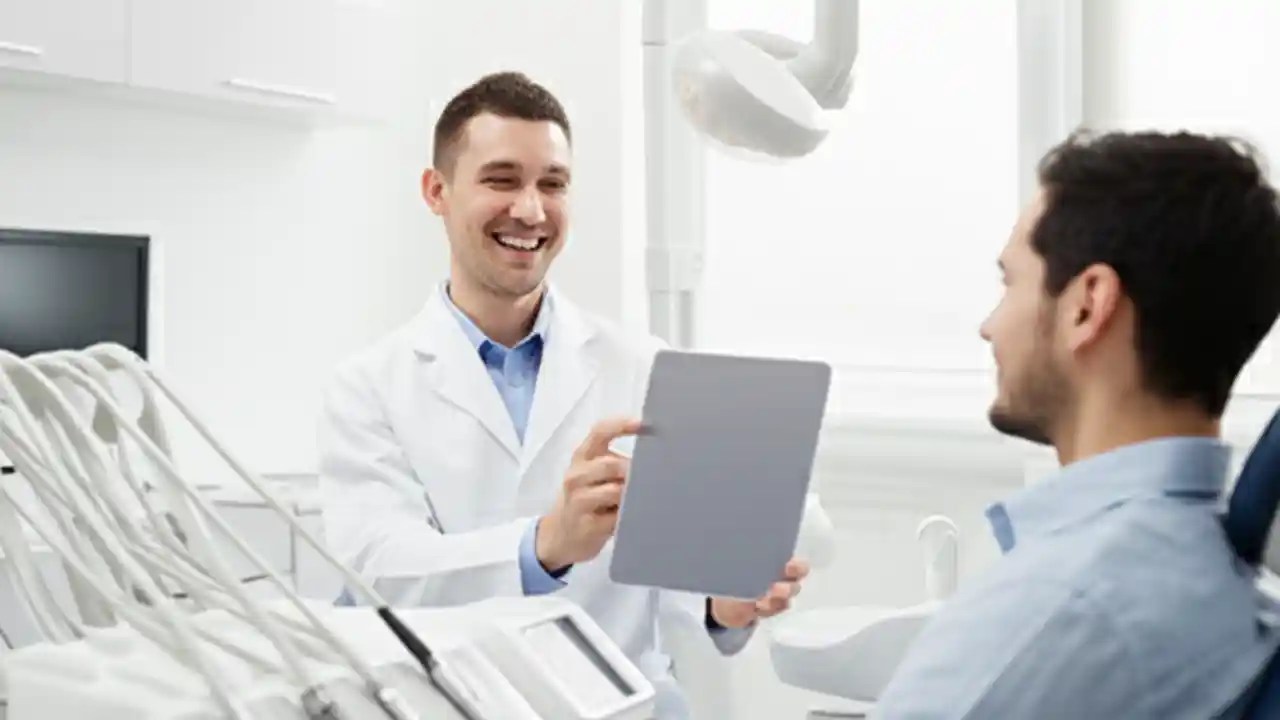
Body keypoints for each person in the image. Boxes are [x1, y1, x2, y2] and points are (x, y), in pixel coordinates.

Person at [317, 71, 808, 718]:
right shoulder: (368, 387)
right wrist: (543, 545)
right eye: (501, 180)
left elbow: (676, 597)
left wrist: (725, 606)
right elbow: (381, 575)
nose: (530, 210)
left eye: (553, 184)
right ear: (437, 191)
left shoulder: (646, 366)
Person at [874, 130, 1280, 718]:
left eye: (1011, 282)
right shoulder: (1214, 578)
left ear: (1087, 305)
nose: (990, 325)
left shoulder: (1067, 600)